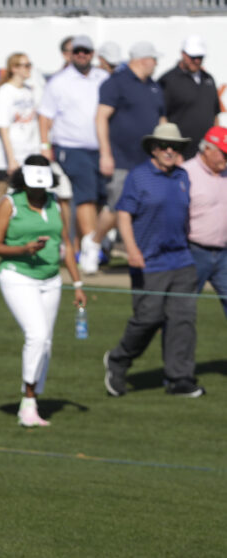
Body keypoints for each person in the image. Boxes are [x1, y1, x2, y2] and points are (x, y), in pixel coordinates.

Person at [104, 123, 202, 398]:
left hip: (181, 259)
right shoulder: (139, 176)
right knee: (148, 319)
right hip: (149, 261)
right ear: (153, 149)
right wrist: (132, 250)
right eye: (164, 146)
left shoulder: (183, 176)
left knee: (183, 320)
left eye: (175, 147)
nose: (170, 150)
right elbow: (124, 214)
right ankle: (118, 360)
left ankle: (180, 378)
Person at [0, 156, 86, 427]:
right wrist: (23, 249)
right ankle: (28, 401)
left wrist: (77, 284)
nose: (38, 190)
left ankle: (32, 400)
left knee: (46, 342)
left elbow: (65, 243)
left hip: (51, 279)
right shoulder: (9, 203)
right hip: (18, 275)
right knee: (37, 335)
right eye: (34, 185)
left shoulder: (55, 203)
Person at [89, 41, 166, 272]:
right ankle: (93, 243)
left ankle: (142, 254)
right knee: (116, 207)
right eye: (154, 59)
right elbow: (101, 117)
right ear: (144, 59)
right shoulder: (115, 83)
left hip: (149, 160)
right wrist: (105, 154)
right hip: (121, 158)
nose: (156, 64)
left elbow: (162, 120)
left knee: (147, 208)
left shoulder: (154, 87)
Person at [38, 35, 109, 261]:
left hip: (101, 148)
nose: (81, 55)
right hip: (72, 147)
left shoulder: (103, 78)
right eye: (77, 51)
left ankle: (88, 245)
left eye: (85, 51)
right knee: (85, 197)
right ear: (70, 54)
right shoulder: (59, 81)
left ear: (92, 54)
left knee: (100, 198)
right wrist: (44, 145)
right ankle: (91, 249)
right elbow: (45, 116)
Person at [181, 126, 227, 320]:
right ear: (207, 149)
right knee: (182, 308)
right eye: (223, 153)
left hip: (224, 253)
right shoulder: (186, 172)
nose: (226, 158)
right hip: (194, 251)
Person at [0, 53, 41, 219]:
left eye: (30, 65)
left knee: (24, 197)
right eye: (25, 65)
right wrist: (11, 158)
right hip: (5, 157)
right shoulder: (5, 91)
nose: (29, 69)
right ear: (14, 68)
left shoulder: (28, 91)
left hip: (26, 154)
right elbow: (3, 127)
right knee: (0, 196)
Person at [158, 35, 219, 160]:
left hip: (206, 154)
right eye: (193, 57)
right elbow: (161, 118)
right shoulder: (168, 80)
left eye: (200, 57)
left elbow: (215, 115)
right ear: (183, 54)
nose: (196, 61)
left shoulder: (208, 79)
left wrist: (216, 146)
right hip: (180, 154)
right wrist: (172, 150)